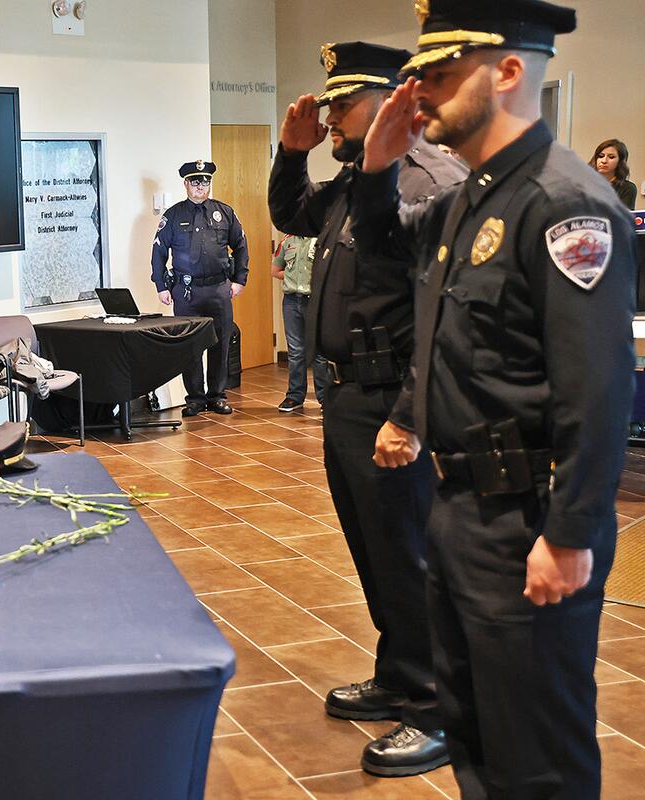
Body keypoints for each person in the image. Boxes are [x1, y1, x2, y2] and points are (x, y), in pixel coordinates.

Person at [352, 1, 635, 796]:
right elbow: (380, 248)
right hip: (459, 507)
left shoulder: (565, 204)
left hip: (525, 520)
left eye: (442, 73)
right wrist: (375, 168)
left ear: (509, 71)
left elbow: (597, 388)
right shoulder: (472, 198)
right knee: (476, 736)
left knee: (537, 755)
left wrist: (570, 533)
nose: (421, 90)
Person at [269, 41, 467, 778]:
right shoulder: (358, 179)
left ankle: (438, 709)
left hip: (393, 401)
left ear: (393, 101)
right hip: (348, 395)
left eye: (343, 103)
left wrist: (409, 417)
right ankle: (400, 673)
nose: (329, 116)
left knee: (413, 556)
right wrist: (292, 154)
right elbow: (292, 213)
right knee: (377, 549)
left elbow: (444, 317)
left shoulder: (428, 182)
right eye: (328, 103)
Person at [151, 161, 248, 416]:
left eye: (205, 182)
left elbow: (241, 246)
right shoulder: (173, 216)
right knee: (190, 347)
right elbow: (158, 252)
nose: (200, 187)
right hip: (187, 292)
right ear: (186, 184)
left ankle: (217, 396)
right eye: (195, 182)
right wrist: (161, 286)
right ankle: (195, 398)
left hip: (218, 289)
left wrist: (239, 280)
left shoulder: (224, 212)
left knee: (220, 344)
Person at [271, 234, 328, 412]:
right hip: (291, 301)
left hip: (315, 301)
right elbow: (275, 270)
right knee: (295, 351)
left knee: (319, 352)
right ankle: (294, 396)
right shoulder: (287, 241)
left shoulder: (322, 239)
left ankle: (325, 398)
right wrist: (292, 279)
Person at [590, 138, 637, 209]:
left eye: (611, 157)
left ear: (620, 162)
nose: (604, 161)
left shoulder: (627, 188)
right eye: (601, 156)